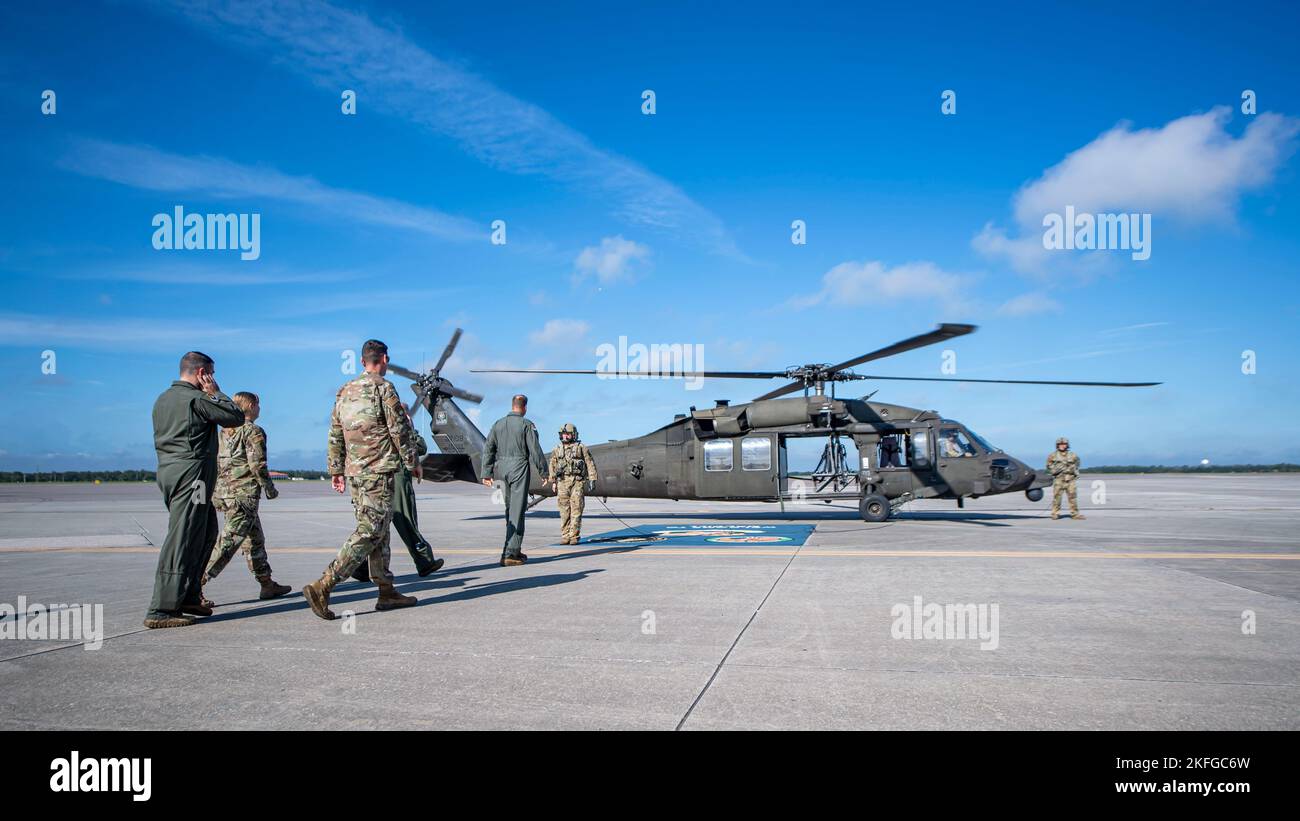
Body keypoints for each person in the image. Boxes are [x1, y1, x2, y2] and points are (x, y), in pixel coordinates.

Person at [302, 339, 422, 620]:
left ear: (362, 361)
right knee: (370, 531)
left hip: (355, 473)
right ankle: (324, 585)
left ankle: (386, 590)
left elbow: (334, 432)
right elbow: (399, 430)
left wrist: (335, 470)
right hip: (377, 470)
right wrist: (412, 462)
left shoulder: (344, 391)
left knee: (379, 530)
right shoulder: (383, 388)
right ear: (385, 359)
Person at [144, 351, 245, 629]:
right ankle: (161, 608)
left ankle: (187, 596)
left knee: (205, 531)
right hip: (193, 478)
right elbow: (235, 416)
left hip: (171, 473)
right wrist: (217, 393)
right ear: (202, 373)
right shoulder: (197, 398)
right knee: (184, 536)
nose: (212, 379)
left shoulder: (163, 399)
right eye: (211, 374)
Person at [200, 392, 291, 604]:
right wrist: (269, 489)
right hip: (244, 496)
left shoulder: (223, 432)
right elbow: (257, 464)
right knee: (228, 543)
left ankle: (266, 583)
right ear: (250, 405)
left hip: (224, 494)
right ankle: (195, 585)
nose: (260, 408)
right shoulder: (253, 431)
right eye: (258, 404)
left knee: (255, 539)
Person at [350, 416, 444, 582]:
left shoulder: (375, 428)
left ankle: (362, 566)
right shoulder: (399, 427)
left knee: (376, 526)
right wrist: (411, 428)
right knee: (406, 522)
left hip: (374, 477)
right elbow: (420, 447)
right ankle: (424, 561)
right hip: (398, 476)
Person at [482, 394, 547, 566]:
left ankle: (514, 548)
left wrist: (486, 472)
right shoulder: (526, 425)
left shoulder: (498, 424)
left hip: (501, 469)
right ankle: (510, 554)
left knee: (511, 510)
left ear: (512, 406)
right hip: (519, 467)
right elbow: (535, 450)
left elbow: (488, 448)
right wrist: (544, 472)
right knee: (517, 511)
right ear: (524, 407)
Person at [548, 422, 598, 545]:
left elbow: (589, 463)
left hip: (577, 482)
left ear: (573, 435)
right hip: (562, 482)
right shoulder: (557, 449)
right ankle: (565, 536)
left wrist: (592, 479)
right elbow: (552, 465)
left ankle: (574, 536)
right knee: (564, 510)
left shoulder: (581, 448)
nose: (565, 436)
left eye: (567, 434)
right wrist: (553, 481)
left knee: (576, 509)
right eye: (563, 434)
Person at [1046, 436, 1085, 520]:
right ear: (1057, 445)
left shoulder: (1073, 455)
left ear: (1067, 445)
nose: (1062, 445)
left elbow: (1077, 463)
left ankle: (1075, 514)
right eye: (1060, 444)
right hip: (1059, 479)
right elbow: (1048, 465)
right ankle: (1055, 513)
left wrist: (1072, 469)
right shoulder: (1053, 455)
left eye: (1064, 444)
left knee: (1073, 497)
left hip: (1070, 479)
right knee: (1057, 497)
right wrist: (1055, 469)